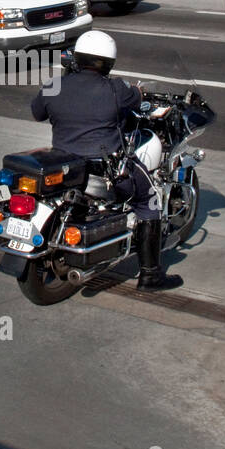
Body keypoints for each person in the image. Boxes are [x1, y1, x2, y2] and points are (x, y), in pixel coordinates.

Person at [29, 31, 183, 291]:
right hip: (105, 171)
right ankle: (150, 275)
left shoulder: (53, 84)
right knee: (149, 200)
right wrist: (138, 90)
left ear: (76, 57)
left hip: (67, 166)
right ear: (108, 63)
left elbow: (37, 112)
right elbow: (137, 96)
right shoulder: (115, 89)